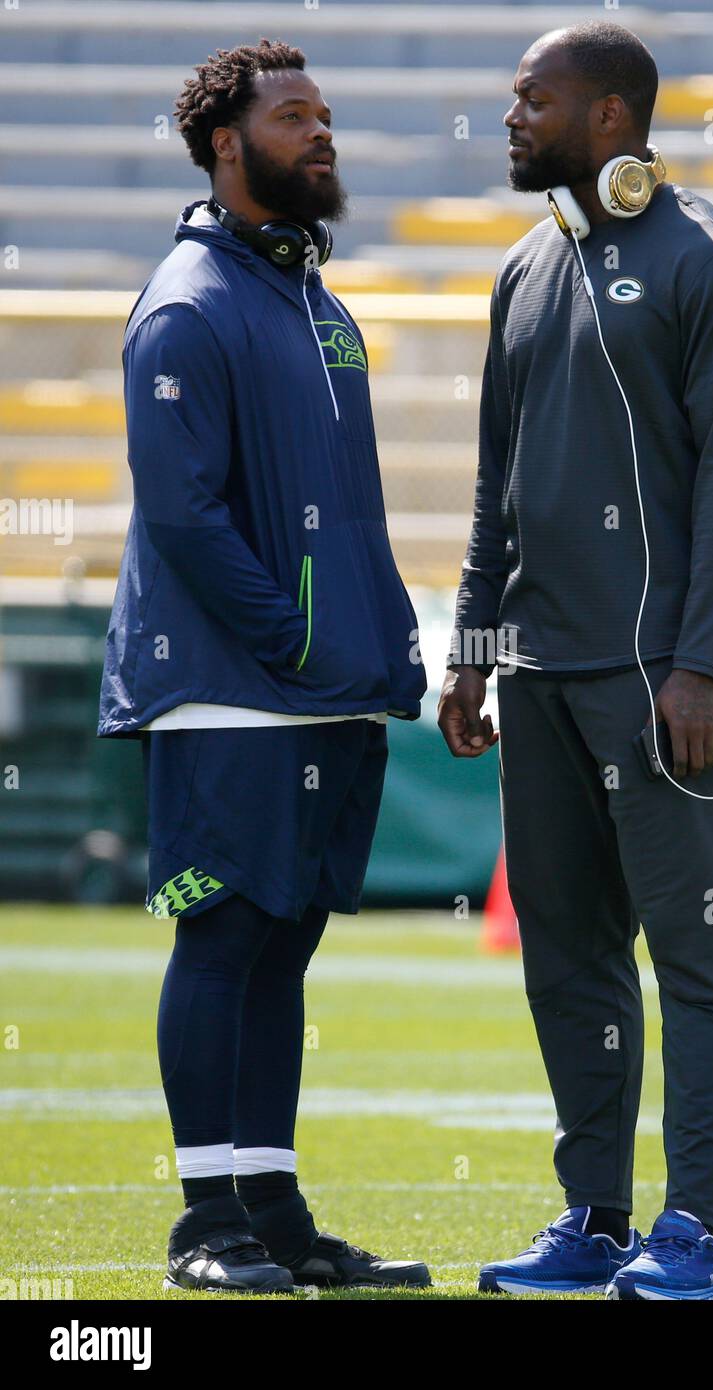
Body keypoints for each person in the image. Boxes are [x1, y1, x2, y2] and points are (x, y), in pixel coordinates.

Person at [438, 21, 713, 1300]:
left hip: (665, 685)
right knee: (568, 959)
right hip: (537, 680)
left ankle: (695, 1235)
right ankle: (592, 1221)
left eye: (532, 99)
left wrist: (704, 664)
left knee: (699, 958)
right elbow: (495, 487)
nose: (510, 118)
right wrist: (472, 649)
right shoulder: (524, 267)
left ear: (612, 118)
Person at [99, 38, 430, 1294]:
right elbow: (183, 517)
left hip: (329, 685)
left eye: (327, 113)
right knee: (222, 939)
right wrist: (292, 636)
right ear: (227, 141)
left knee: (284, 939)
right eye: (296, 116)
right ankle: (207, 1226)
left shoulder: (311, 296)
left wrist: (373, 642)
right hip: (229, 689)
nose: (322, 133)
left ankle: (275, 1214)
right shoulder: (190, 300)